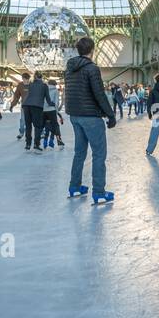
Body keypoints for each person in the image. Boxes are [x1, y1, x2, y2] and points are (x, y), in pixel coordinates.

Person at [64, 36, 117, 202]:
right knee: (99, 154)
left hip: (75, 115)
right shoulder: (92, 68)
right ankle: (99, 192)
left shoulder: (69, 67)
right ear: (92, 50)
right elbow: (99, 94)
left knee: (79, 153)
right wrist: (110, 114)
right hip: (91, 117)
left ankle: (74, 187)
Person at [22, 72, 48, 152]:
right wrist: (53, 105)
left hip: (26, 106)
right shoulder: (44, 85)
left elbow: (28, 95)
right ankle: (36, 145)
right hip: (37, 107)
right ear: (41, 77)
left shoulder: (31, 84)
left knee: (28, 125)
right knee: (38, 126)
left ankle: (28, 144)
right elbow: (48, 99)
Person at [41, 78, 65, 149]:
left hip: (43, 110)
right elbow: (56, 102)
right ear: (55, 84)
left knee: (43, 126)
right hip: (52, 110)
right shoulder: (55, 90)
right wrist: (57, 112)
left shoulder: (44, 89)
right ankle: (59, 141)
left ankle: (37, 143)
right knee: (55, 126)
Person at [9, 73, 31, 140]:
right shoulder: (20, 85)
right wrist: (12, 105)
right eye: (24, 79)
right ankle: (21, 132)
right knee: (23, 120)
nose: (25, 81)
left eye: (26, 80)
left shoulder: (32, 85)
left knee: (35, 119)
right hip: (24, 106)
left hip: (33, 106)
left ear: (29, 79)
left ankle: (40, 132)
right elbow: (16, 96)